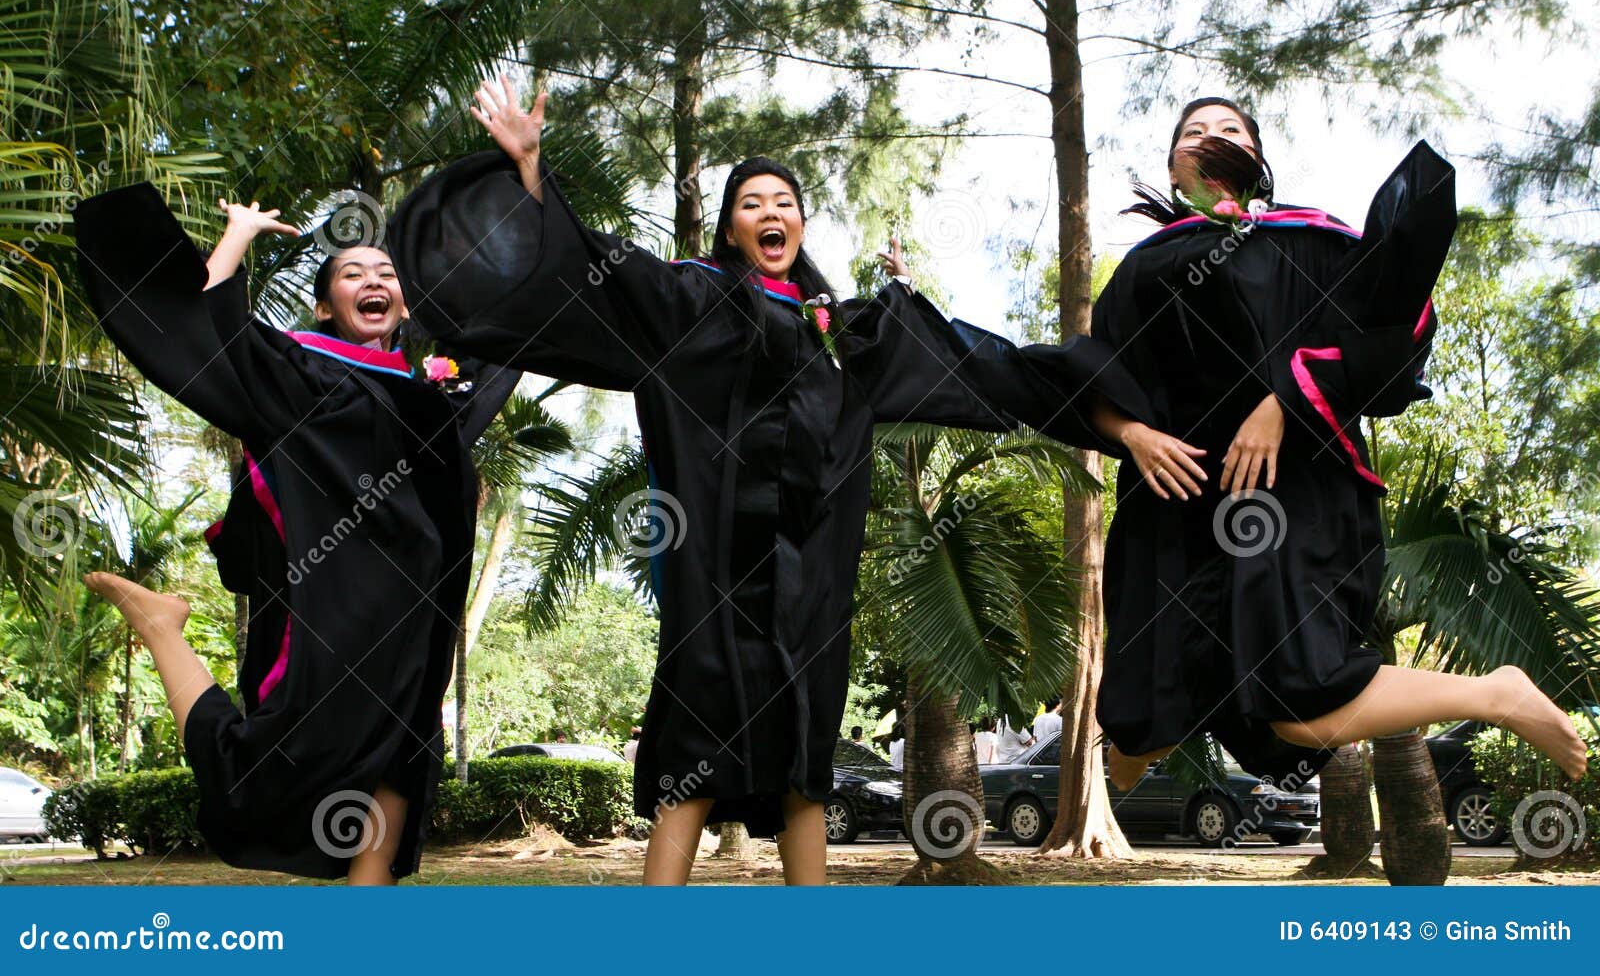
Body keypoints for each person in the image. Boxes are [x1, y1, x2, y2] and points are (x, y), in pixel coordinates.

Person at [386, 76, 1131, 884]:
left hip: (809, 596)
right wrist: (533, 172)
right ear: (731, 226)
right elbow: (591, 269)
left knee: (803, 758)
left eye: (783, 200)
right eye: (750, 201)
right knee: (693, 753)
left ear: (800, 222)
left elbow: (982, 369)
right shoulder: (691, 302)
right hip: (714, 585)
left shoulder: (841, 334)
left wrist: (1117, 418)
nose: (769, 211)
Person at [956, 96, 1588, 789]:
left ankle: (1495, 693)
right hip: (1179, 500)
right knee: (1133, 729)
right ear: (1172, 168)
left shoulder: (1310, 242)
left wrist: (1285, 398)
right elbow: (1089, 379)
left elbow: (1386, 333)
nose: (1211, 138)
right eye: (1193, 132)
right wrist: (1133, 434)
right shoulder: (1142, 271)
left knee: (1299, 697)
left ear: (1258, 161)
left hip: (1291, 490)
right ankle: (1143, 735)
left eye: (1230, 130)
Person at [73, 189, 519, 883]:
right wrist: (238, 236)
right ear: (322, 306)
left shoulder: (431, 392)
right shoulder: (303, 368)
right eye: (352, 273)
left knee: (406, 750)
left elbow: (505, 341)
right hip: (337, 610)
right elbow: (213, 331)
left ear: (405, 304)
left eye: (387, 272)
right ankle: (163, 628)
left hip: (417, 616)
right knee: (273, 761)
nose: (373, 280)